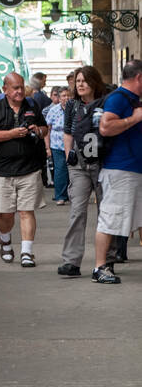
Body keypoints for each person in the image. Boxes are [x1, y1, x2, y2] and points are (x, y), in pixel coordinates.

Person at [0, 72, 48, 266]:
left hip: (29, 167)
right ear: (5, 90)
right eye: (15, 88)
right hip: (3, 170)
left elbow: (45, 129)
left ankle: (27, 252)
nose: (19, 91)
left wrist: (38, 131)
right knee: (5, 213)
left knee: (27, 211)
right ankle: (5, 241)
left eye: (21, 87)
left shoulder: (32, 105)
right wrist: (11, 134)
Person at [89, 59, 142, 284]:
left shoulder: (132, 99)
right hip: (120, 170)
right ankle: (100, 267)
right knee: (110, 219)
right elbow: (106, 126)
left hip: (133, 169)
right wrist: (134, 118)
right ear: (139, 78)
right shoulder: (119, 99)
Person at [59, 65, 108, 276]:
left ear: (94, 82)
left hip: (103, 163)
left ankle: (108, 258)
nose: (80, 84)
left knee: (106, 212)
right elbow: (68, 132)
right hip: (79, 164)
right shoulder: (72, 105)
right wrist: (69, 154)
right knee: (77, 211)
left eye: (84, 81)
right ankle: (71, 261)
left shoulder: (106, 103)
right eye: (77, 81)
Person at [45, 86, 69, 204]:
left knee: (73, 170)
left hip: (72, 144)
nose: (66, 98)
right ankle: (60, 196)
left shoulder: (75, 109)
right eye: (64, 96)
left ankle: (71, 194)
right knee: (60, 170)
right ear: (59, 98)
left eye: (68, 95)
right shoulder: (53, 110)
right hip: (57, 145)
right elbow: (47, 130)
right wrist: (47, 147)